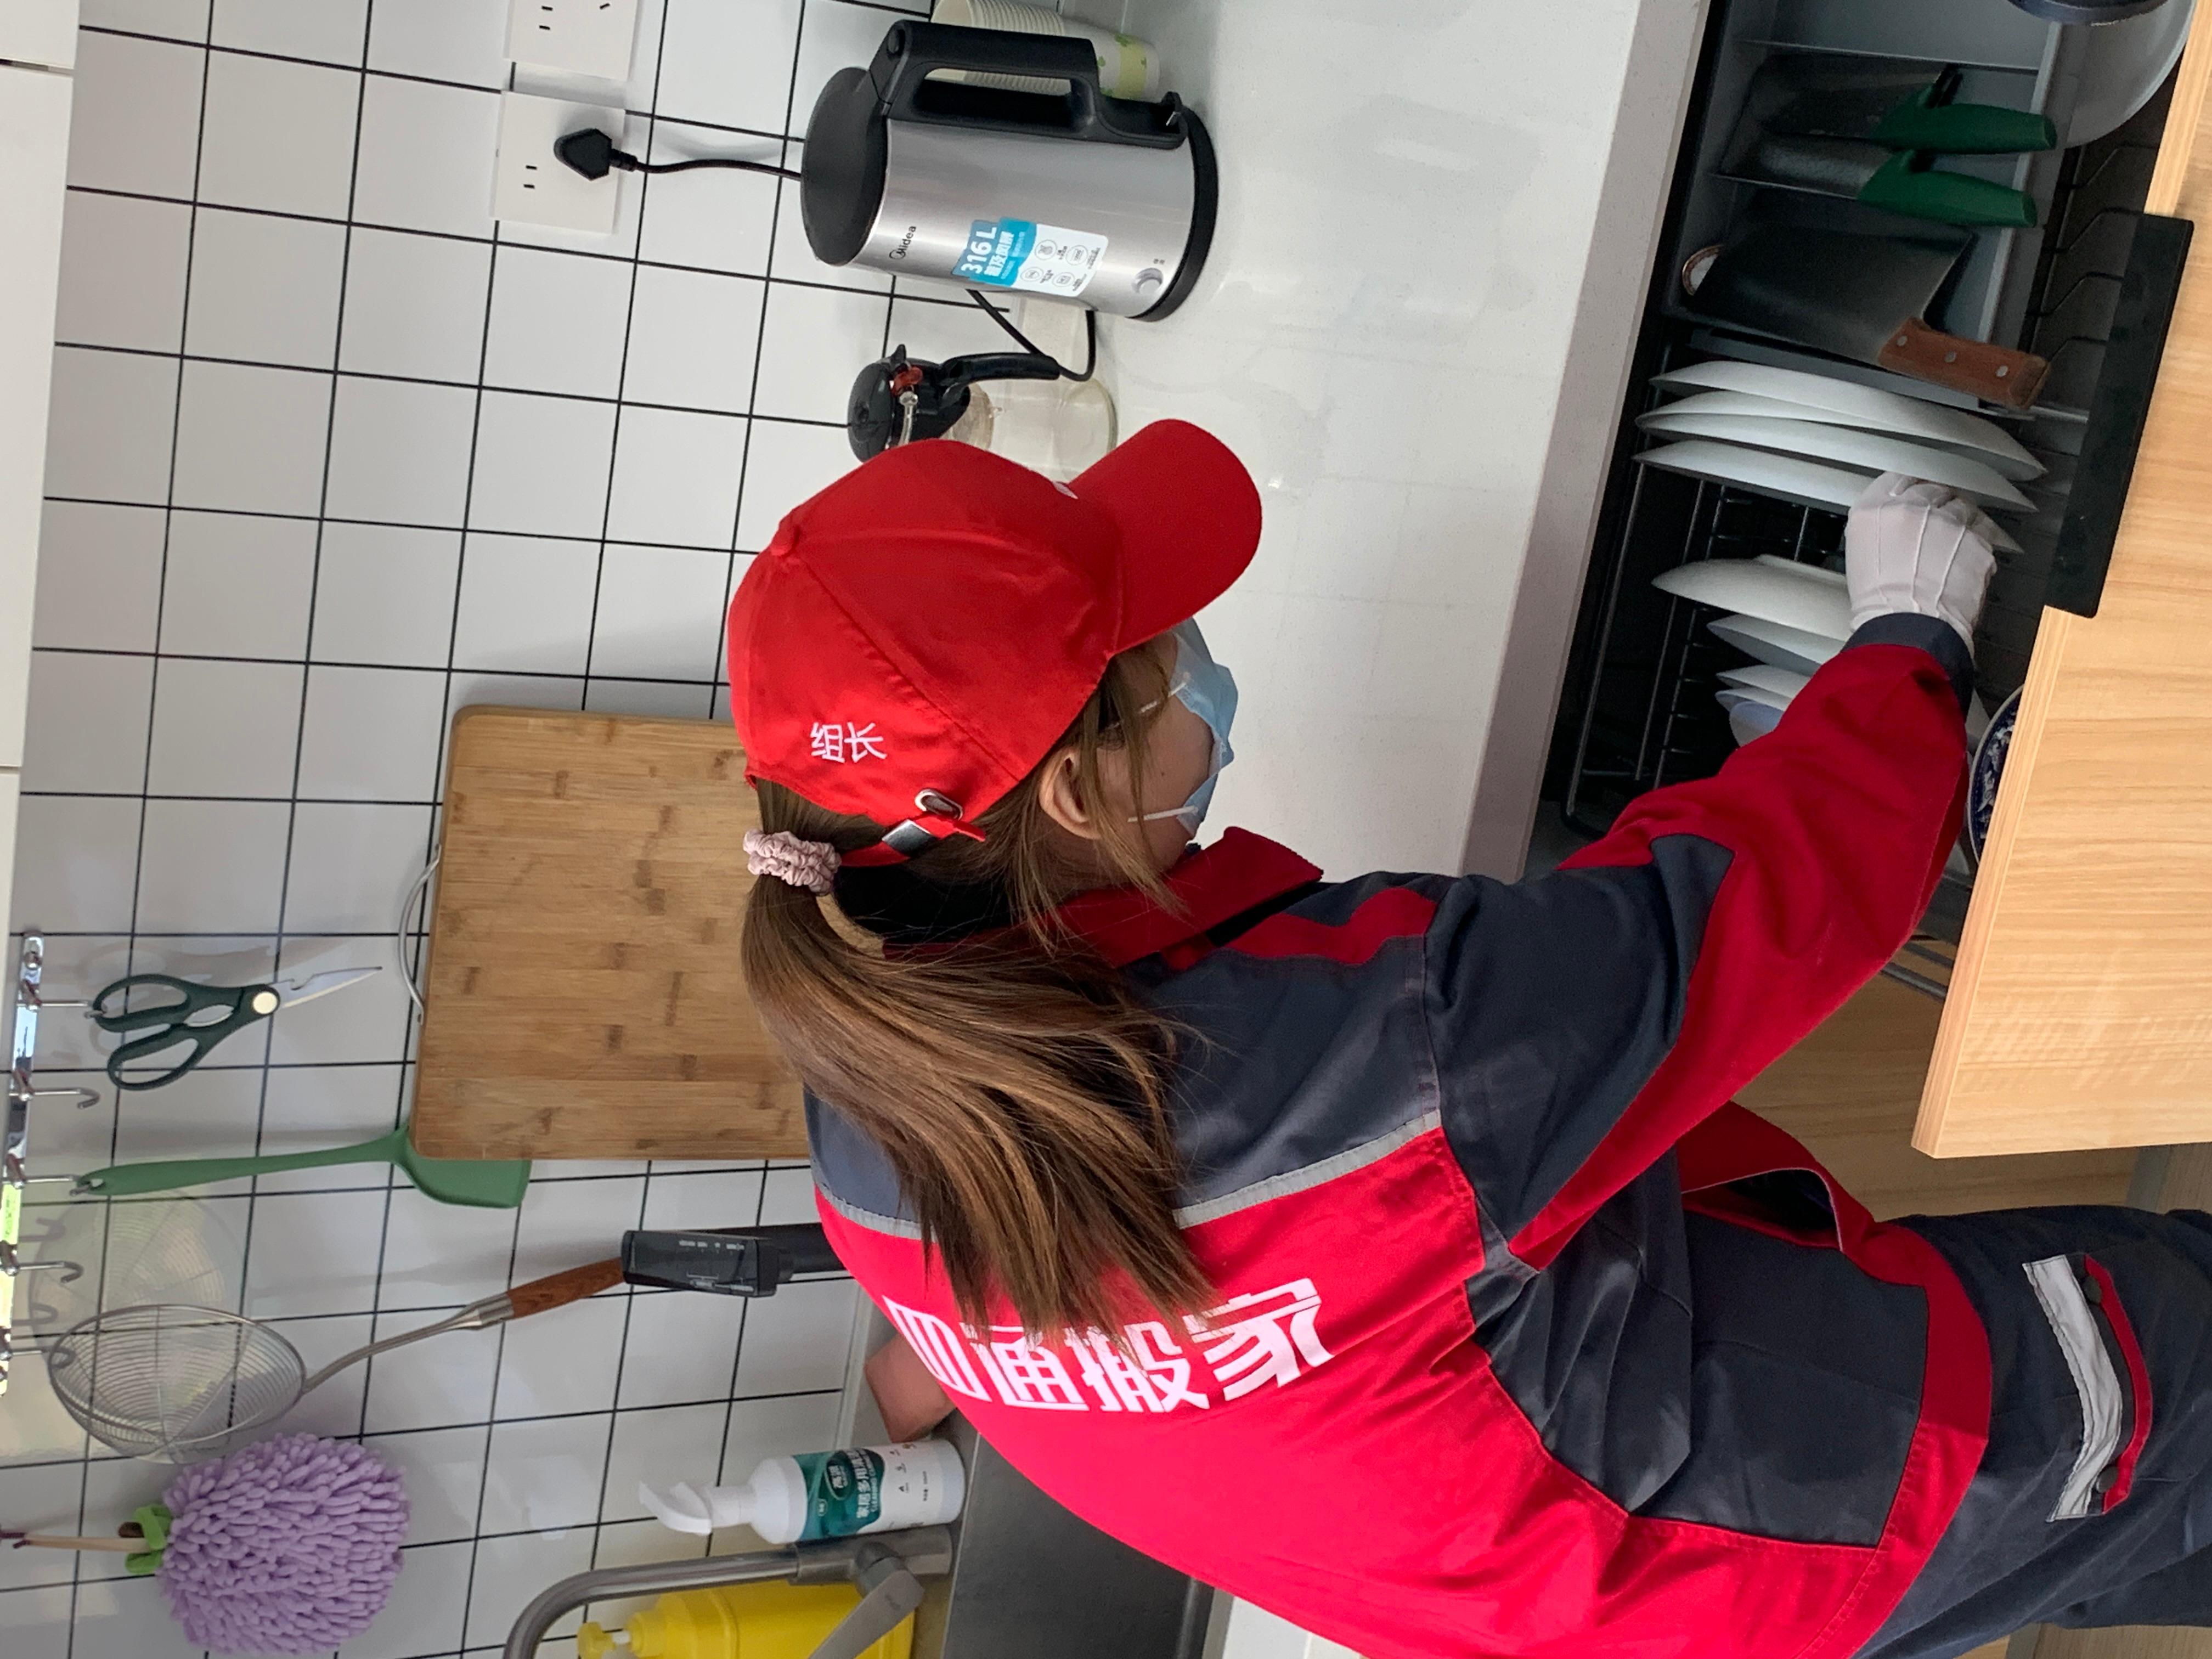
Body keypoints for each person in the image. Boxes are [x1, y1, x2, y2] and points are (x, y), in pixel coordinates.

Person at [721, 422, 2212, 1659]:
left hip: (1568, 1593)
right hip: (1794, 1513)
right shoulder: (1364, 1068)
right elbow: (1750, 909)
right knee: (2154, 1381)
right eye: (1169, 653)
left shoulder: (872, 1125)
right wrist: (1909, 638)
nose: (1203, 664)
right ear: (1073, 795)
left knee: (2118, 1541)